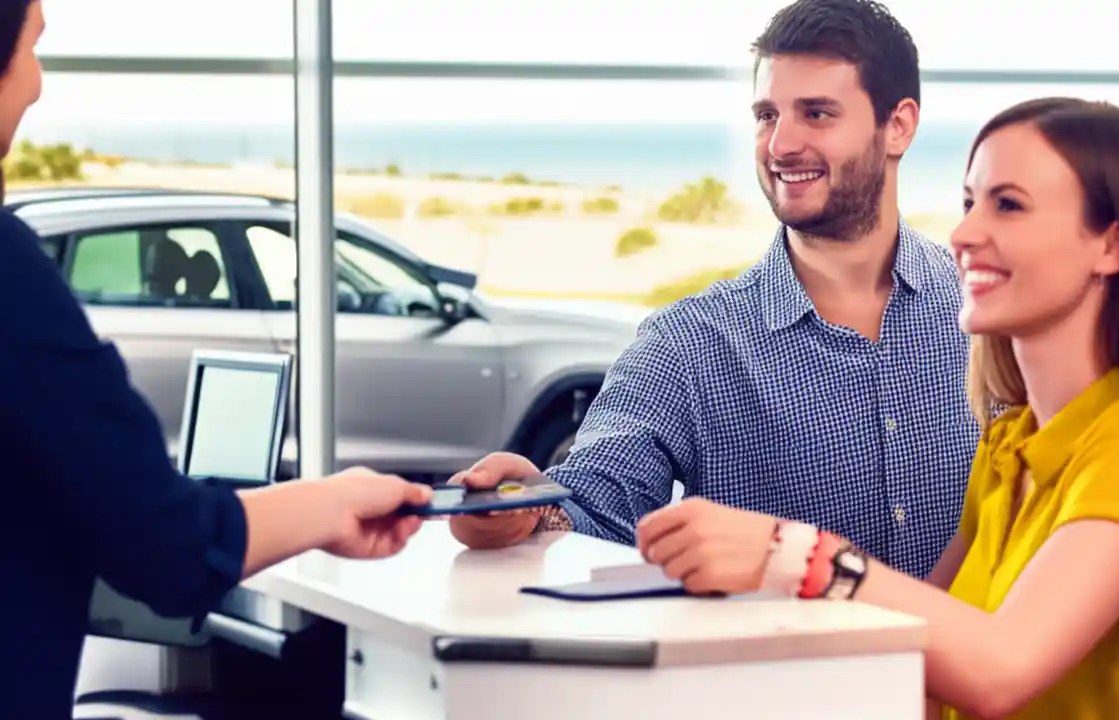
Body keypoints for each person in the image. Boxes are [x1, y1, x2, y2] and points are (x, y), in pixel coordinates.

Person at [636, 97, 1119, 719]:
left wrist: (788, 553)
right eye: (971, 203)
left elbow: (1000, 669)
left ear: (1113, 245)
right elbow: (914, 660)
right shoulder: (1010, 446)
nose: (964, 235)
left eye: (1009, 205)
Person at [0, 2, 433, 715]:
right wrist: (333, 502)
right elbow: (164, 545)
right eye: (33, 48)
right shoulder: (1, 275)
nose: (37, 84)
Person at [450, 0, 979, 581]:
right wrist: (530, 506)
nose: (780, 146)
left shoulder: (985, 309)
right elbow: (595, 508)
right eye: (767, 114)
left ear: (898, 125)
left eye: (818, 114)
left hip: (994, 670)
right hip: (788, 671)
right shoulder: (689, 342)